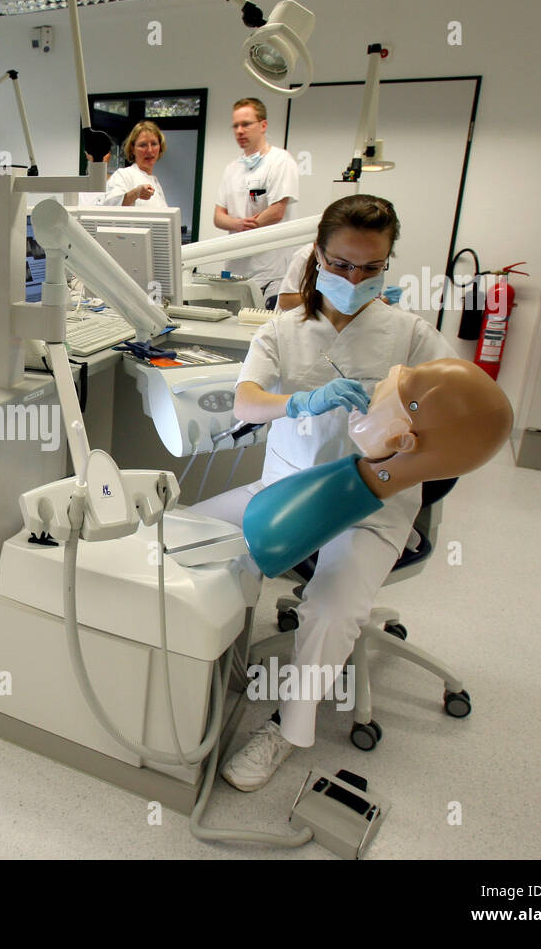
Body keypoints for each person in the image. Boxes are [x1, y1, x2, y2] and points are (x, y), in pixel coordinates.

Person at [191, 194, 457, 791]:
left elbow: (464, 410)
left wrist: (416, 436)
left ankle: (288, 729)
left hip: (371, 502)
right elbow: (245, 402)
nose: (354, 278)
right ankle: (202, 662)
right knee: (183, 537)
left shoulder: (411, 335)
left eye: (370, 268)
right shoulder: (284, 330)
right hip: (286, 486)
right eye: (340, 265)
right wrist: (301, 400)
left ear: (387, 264)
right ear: (317, 256)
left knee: (333, 607)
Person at [214, 98, 300, 302]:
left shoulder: (280, 161)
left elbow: (277, 211)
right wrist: (238, 223)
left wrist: (243, 226)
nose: (239, 131)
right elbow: (218, 217)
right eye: (235, 126)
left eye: (246, 124)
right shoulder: (232, 169)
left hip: (270, 271)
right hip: (236, 268)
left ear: (263, 125)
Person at [103, 120, 169, 208]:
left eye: (154, 144)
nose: (149, 150)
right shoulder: (123, 175)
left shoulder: (155, 182)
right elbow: (110, 205)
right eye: (143, 145)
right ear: (132, 149)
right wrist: (136, 193)